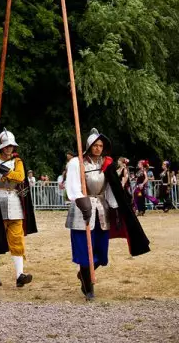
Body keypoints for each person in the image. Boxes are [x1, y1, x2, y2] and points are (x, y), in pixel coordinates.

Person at [66, 128, 150, 301]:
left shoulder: (106, 164)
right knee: (84, 252)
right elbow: (73, 184)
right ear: (88, 146)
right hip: (82, 210)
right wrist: (81, 200)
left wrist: (119, 208)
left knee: (101, 254)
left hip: (102, 210)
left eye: (100, 145)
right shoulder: (77, 162)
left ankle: (84, 275)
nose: (98, 148)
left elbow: (112, 188)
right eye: (95, 145)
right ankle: (88, 286)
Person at [0, 129, 37, 288]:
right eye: (6, 146)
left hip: (15, 203)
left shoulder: (17, 162)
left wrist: (0, 169)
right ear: (1, 146)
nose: (9, 149)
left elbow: (19, 177)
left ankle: (20, 274)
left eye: (11, 146)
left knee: (17, 240)